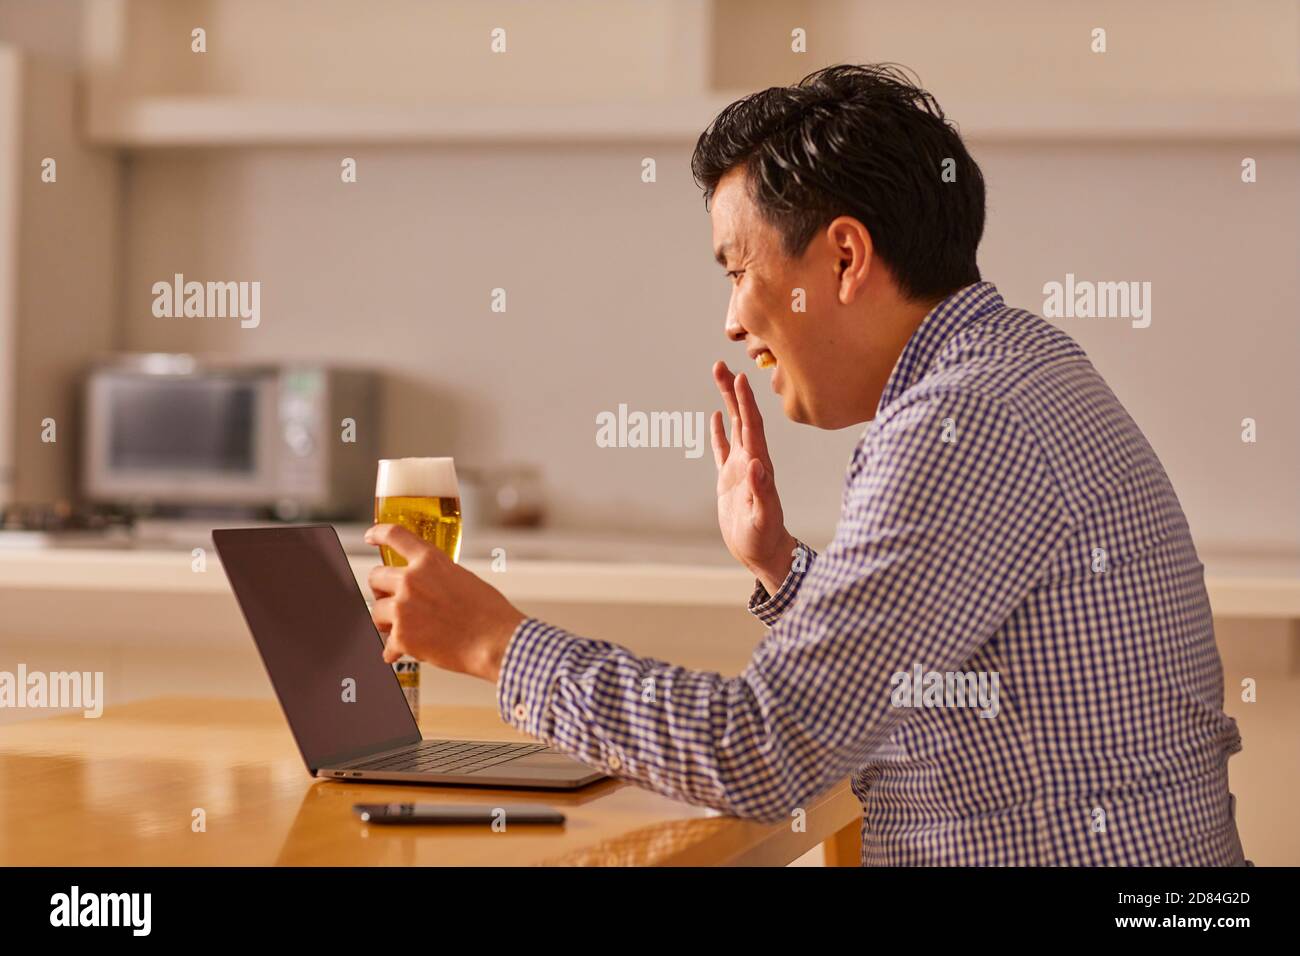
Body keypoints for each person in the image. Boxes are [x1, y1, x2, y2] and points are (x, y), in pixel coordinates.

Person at [365, 64, 1245, 865]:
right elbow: (938, 658)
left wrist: (494, 643)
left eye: (737, 269)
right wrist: (783, 567)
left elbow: (763, 751)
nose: (732, 322)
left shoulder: (958, 422)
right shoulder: (1018, 365)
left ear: (846, 257)